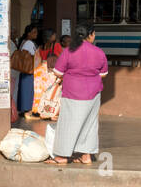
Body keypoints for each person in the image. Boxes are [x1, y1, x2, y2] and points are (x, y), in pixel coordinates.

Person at [45, 22, 109, 166]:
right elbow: (103, 74)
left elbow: (57, 72)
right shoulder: (99, 52)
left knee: (68, 123)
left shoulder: (68, 51)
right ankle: (85, 156)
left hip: (72, 92)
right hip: (93, 93)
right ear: (90, 35)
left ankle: (62, 156)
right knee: (90, 124)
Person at [32, 29, 62, 120]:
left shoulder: (40, 46)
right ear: (51, 36)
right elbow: (61, 57)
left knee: (39, 92)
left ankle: (37, 110)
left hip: (40, 71)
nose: (55, 36)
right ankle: (50, 111)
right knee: (51, 92)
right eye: (54, 35)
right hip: (51, 71)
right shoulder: (56, 45)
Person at [13, 23, 40, 118]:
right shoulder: (29, 43)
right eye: (34, 32)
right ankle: (27, 109)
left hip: (24, 71)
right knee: (28, 91)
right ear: (29, 33)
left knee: (24, 90)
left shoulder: (24, 42)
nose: (36, 34)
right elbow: (34, 55)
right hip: (29, 70)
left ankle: (23, 109)